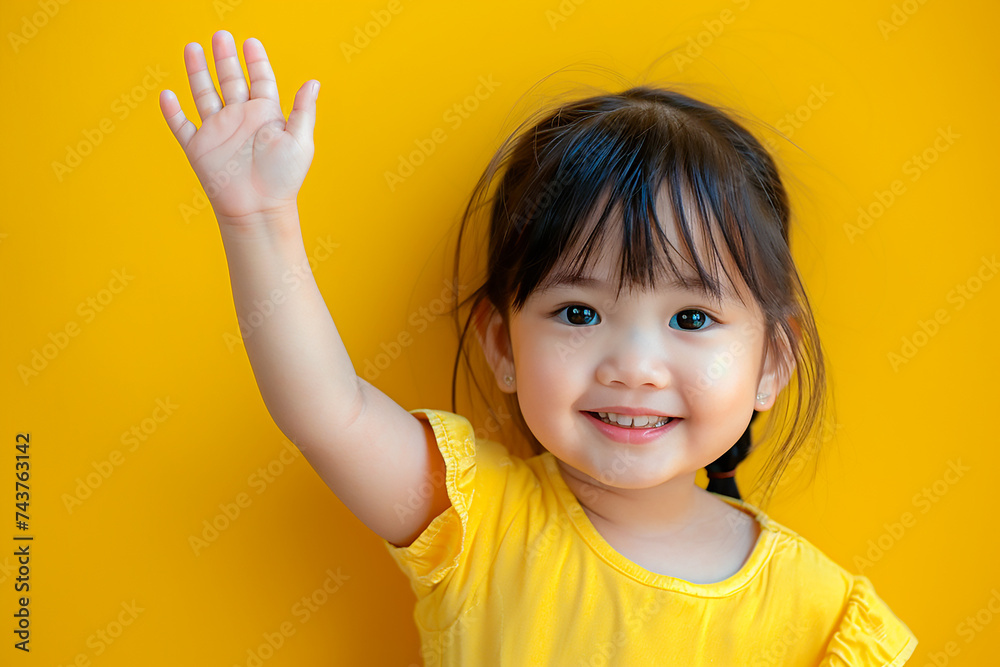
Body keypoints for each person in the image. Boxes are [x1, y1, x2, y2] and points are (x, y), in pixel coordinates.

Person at [159, 29, 918, 666]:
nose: (634, 367)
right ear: (503, 345)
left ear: (773, 362)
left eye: (691, 318)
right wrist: (258, 220)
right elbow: (329, 411)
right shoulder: (476, 523)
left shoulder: (824, 618)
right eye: (580, 312)